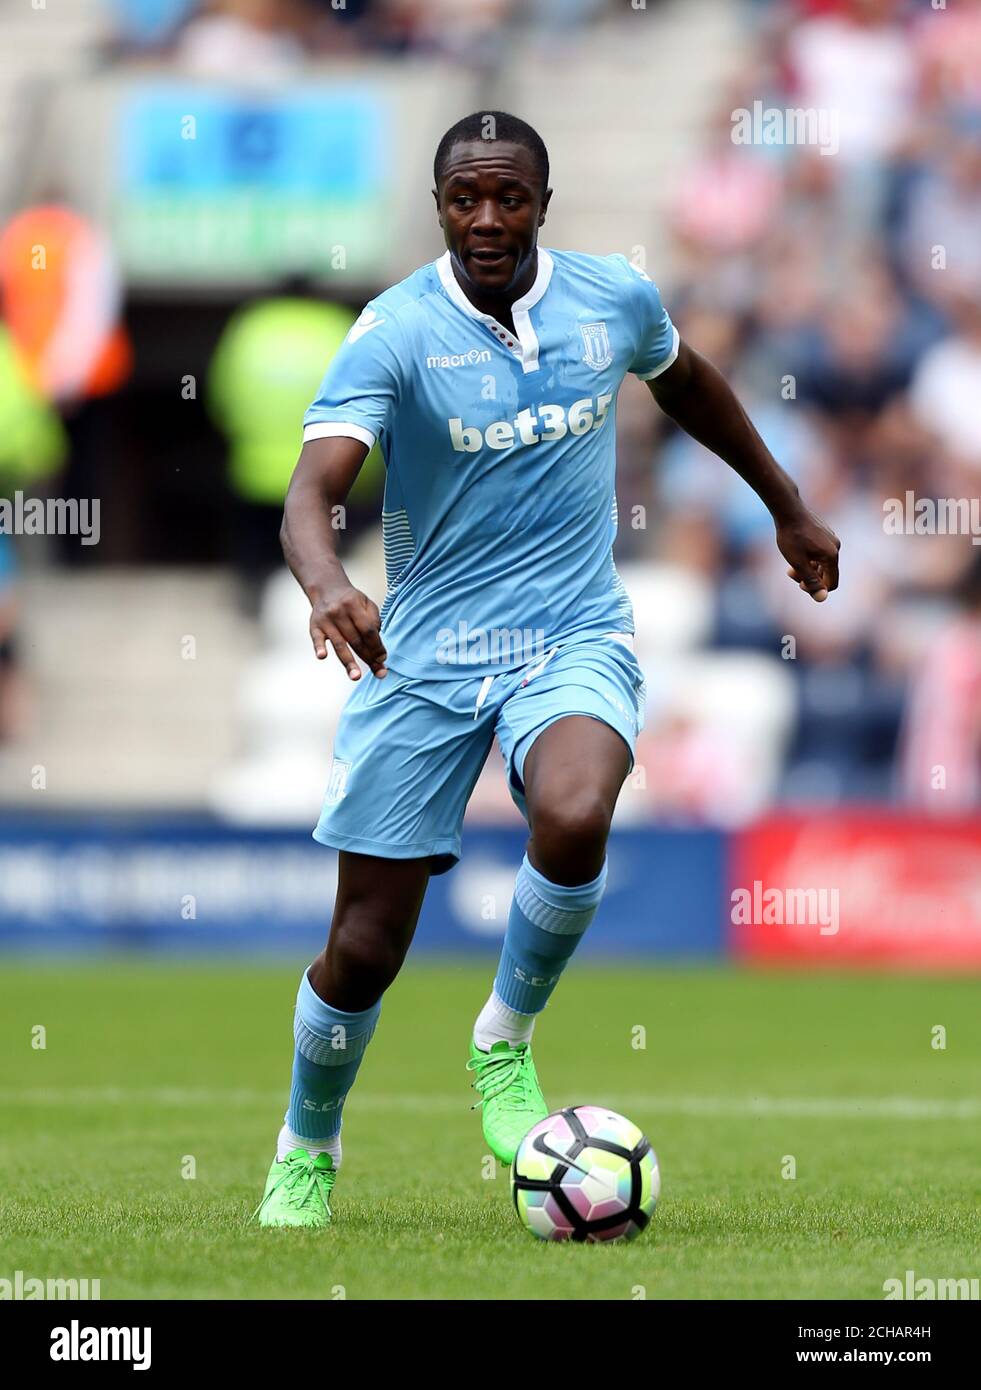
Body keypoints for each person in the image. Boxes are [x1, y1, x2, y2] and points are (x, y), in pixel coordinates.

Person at [254, 111, 840, 1228]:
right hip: (420, 651)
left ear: (543, 202)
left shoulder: (610, 298)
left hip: (570, 630)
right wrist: (328, 584)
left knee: (574, 812)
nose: (487, 218)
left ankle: (503, 1041)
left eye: (509, 198)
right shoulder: (391, 330)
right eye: (465, 198)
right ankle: (308, 1145)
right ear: (438, 206)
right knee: (364, 947)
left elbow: (690, 384)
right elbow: (308, 490)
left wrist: (788, 505)